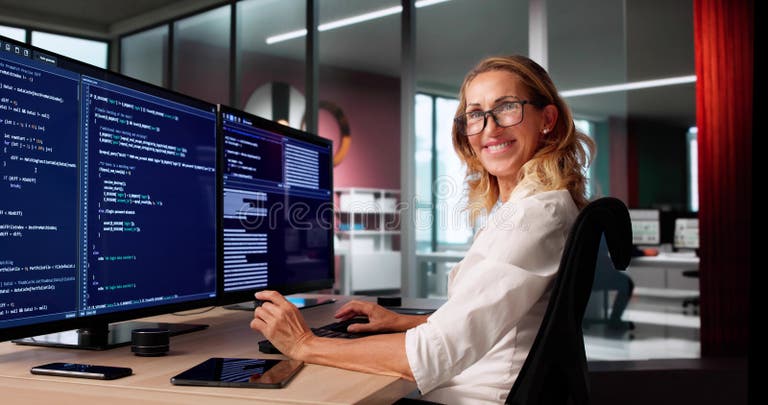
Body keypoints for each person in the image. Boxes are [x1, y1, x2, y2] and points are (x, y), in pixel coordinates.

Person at [250, 55, 595, 404]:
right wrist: (401, 322)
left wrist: (304, 343)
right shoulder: (537, 207)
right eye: (476, 114)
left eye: (507, 107)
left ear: (547, 119)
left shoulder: (532, 217)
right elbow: (486, 316)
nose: (490, 128)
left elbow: (430, 356)